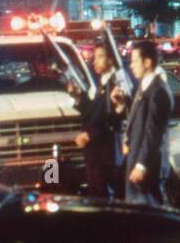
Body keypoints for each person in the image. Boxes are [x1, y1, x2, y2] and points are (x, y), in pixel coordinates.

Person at [116, 40, 173, 205]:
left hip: (148, 168)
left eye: (134, 61)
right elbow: (139, 121)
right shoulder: (145, 87)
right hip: (138, 163)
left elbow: (152, 133)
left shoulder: (158, 91)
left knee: (149, 218)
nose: (131, 66)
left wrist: (142, 165)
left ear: (147, 62)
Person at [70, 45, 124, 199]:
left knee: (105, 197)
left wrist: (90, 135)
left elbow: (112, 120)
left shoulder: (115, 85)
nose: (94, 61)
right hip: (96, 153)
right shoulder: (102, 84)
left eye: (99, 56)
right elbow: (93, 114)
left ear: (111, 60)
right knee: (97, 194)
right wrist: (78, 97)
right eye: (94, 57)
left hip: (106, 153)